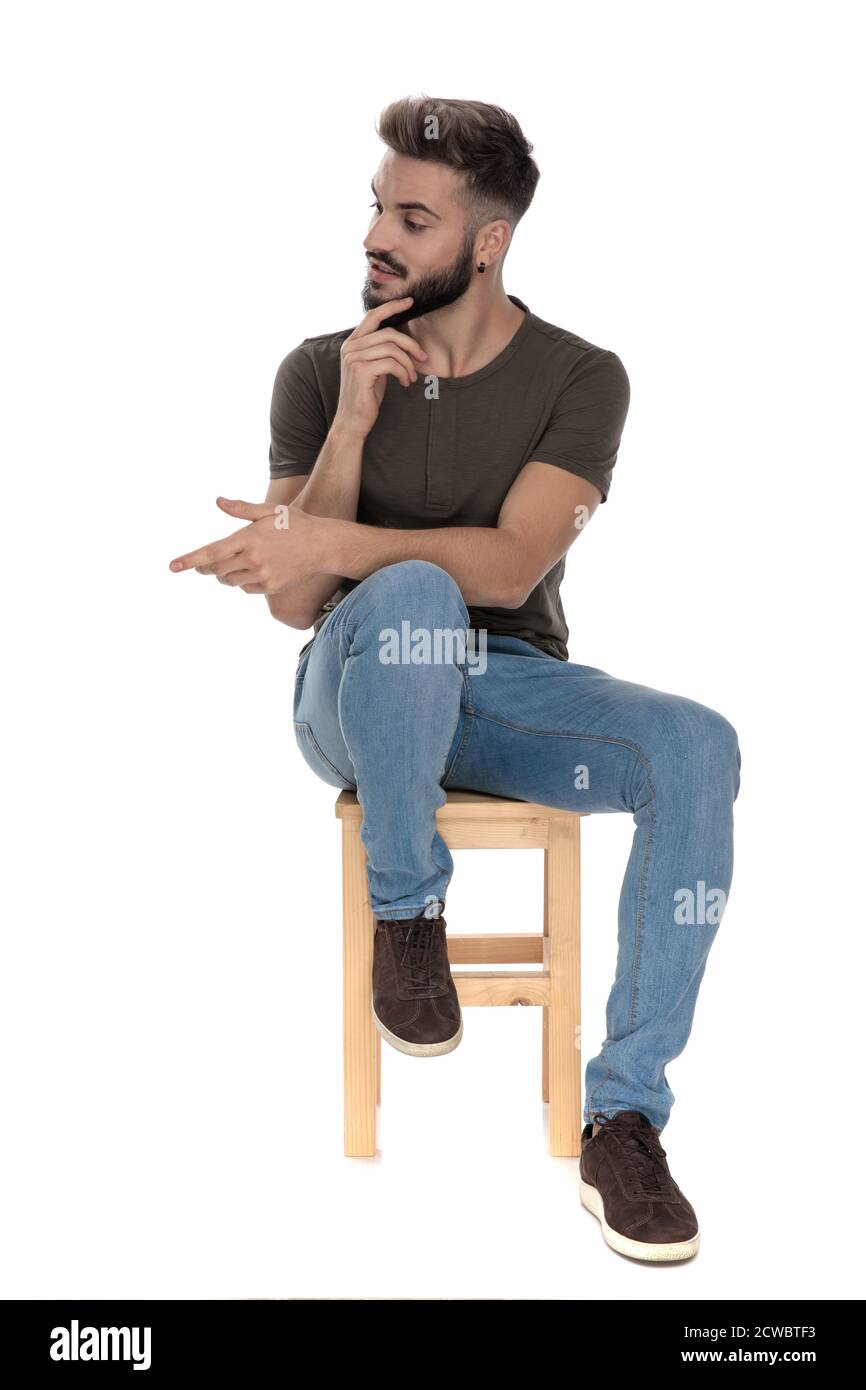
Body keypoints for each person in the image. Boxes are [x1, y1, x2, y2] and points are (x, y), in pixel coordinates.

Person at [169, 96, 741, 1264]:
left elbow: (516, 559)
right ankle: (405, 910)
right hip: (357, 690)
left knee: (696, 742)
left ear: (486, 243)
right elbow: (293, 601)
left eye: (413, 218)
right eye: (375, 208)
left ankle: (623, 1116)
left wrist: (324, 542)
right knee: (417, 596)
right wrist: (349, 429)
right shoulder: (315, 369)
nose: (377, 237)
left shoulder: (582, 377)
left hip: (506, 691)